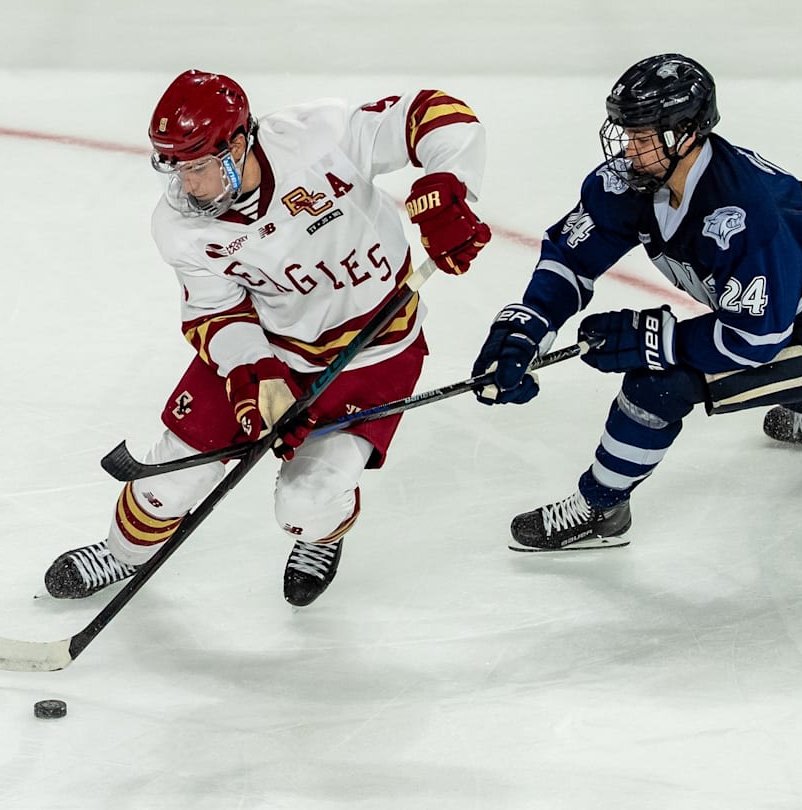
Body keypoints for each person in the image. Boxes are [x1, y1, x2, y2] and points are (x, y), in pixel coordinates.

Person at [44, 70, 489, 604]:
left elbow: (433, 113)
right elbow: (213, 311)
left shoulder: (319, 138)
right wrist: (255, 377)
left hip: (375, 354)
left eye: (200, 166)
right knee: (166, 480)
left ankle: (321, 535)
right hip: (270, 349)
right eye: (176, 168)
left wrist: (447, 188)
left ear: (238, 143)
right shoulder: (180, 226)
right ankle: (122, 553)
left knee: (306, 501)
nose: (188, 185)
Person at [471, 53, 802, 552]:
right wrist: (529, 324)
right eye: (627, 135)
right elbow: (573, 254)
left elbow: (756, 340)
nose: (629, 150)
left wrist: (657, 340)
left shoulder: (745, 214)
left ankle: (600, 509)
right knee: (699, 354)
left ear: (686, 134)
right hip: (782, 305)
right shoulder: (638, 179)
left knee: (660, 382)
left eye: (643, 138)